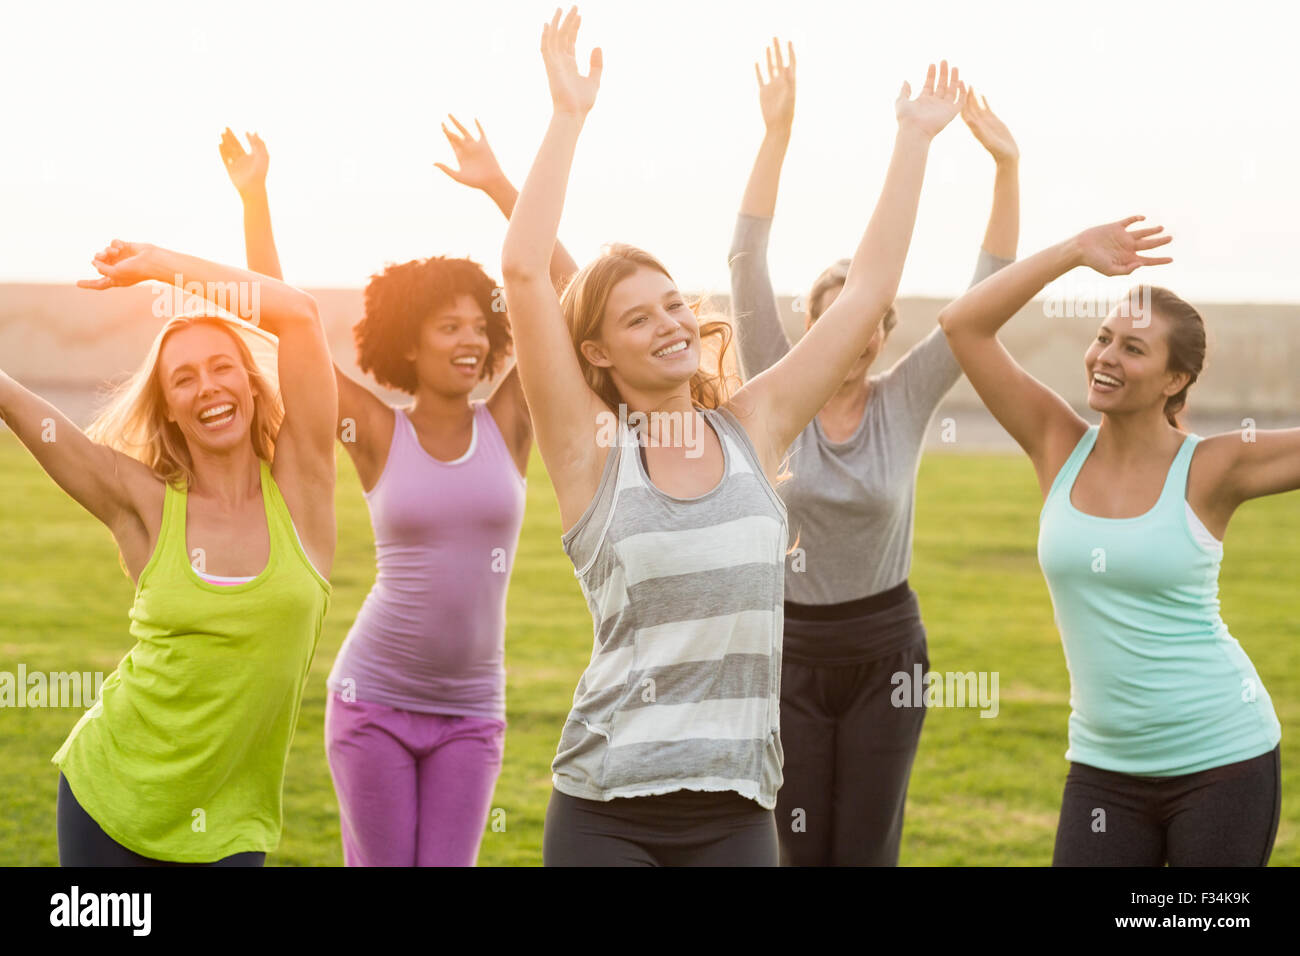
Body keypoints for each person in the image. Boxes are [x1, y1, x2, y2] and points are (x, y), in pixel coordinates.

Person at [502, 7, 965, 866]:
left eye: (675, 302)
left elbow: (865, 294)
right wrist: (568, 117)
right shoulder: (591, 451)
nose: (672, 323)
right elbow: (525, 270)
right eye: (638, 318)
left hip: (739, 809)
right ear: (597, 351)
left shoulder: (752, 426)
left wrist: (912, 143)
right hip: (605, 806)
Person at [219, 121, 575, 865]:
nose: (471, 340)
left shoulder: (511, 423)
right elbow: (286, 331)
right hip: (372, 701)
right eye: (449, 326)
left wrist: (500, 187)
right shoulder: (377, 434)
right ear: (409, 342)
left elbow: (571, 297)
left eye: (479, 326)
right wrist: (255, 200)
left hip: (472, 714)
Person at [728, 38, 1020, 866]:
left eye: (865, 319)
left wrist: (1005, 168)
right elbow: (745, 259)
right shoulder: (779, 393)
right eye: (833, 320)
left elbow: (986, 292)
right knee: (796, 847)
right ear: (816, 327)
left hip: (886, 653)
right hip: (787, 652)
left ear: (884, 328)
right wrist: (776, 133)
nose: (850, 335)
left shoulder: (908, 394)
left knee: (863, 850)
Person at [938, 216, 1288, 866]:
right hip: (1104, 770)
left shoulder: (1213, 466)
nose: (1105, 357)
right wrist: (1073, 251)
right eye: (1103, 338)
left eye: (1133, 349)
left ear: (1174, 380)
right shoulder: (1056, 442)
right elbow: (963, 324)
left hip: (1222, 761)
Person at [0, 241, 335, 865]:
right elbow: (31, 419)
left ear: (253, 386)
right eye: (183, 378)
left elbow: (300, 316)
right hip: (109, 802)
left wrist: (158, 267)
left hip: (231, 827)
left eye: (222, 366)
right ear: (172, 410)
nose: (207, 387)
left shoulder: (302, 491)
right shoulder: (146, 505)